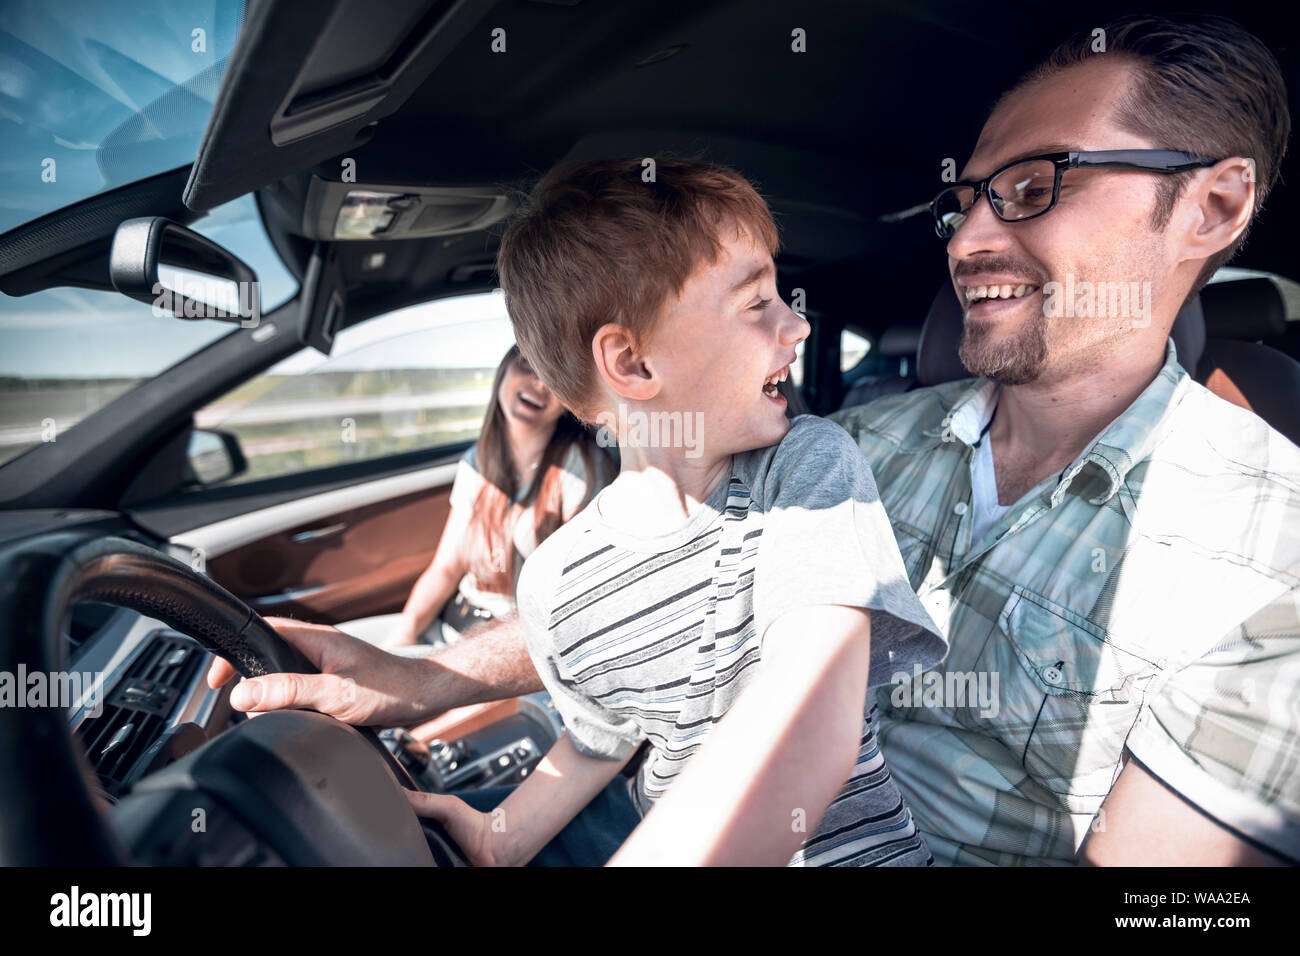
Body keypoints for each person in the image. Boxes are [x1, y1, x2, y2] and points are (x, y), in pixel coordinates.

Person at [828, 13, 1299, 865]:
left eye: (1035, 185)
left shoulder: (1270, 553)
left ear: (1214, 206)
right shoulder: (854, 443)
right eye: (963, 202)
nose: (968, 239)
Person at [400, 157, 947, 866]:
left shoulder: (806, 469)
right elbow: (601, 741)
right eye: (757, 304)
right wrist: (498, 838)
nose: (797, 326)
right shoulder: (556, 583)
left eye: (782, 296)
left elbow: (810, 721)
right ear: (631, 365)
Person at [337, 345, 614, 655]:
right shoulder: (477, 462)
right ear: (504, 371)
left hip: (511, 643)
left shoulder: (579, 468)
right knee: (335, 650)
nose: (539, 384)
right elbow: (446, 567)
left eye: (553, 377)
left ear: (568, 400)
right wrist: (406, 632)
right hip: (453, 624)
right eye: (528, 365)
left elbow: (571, 597)